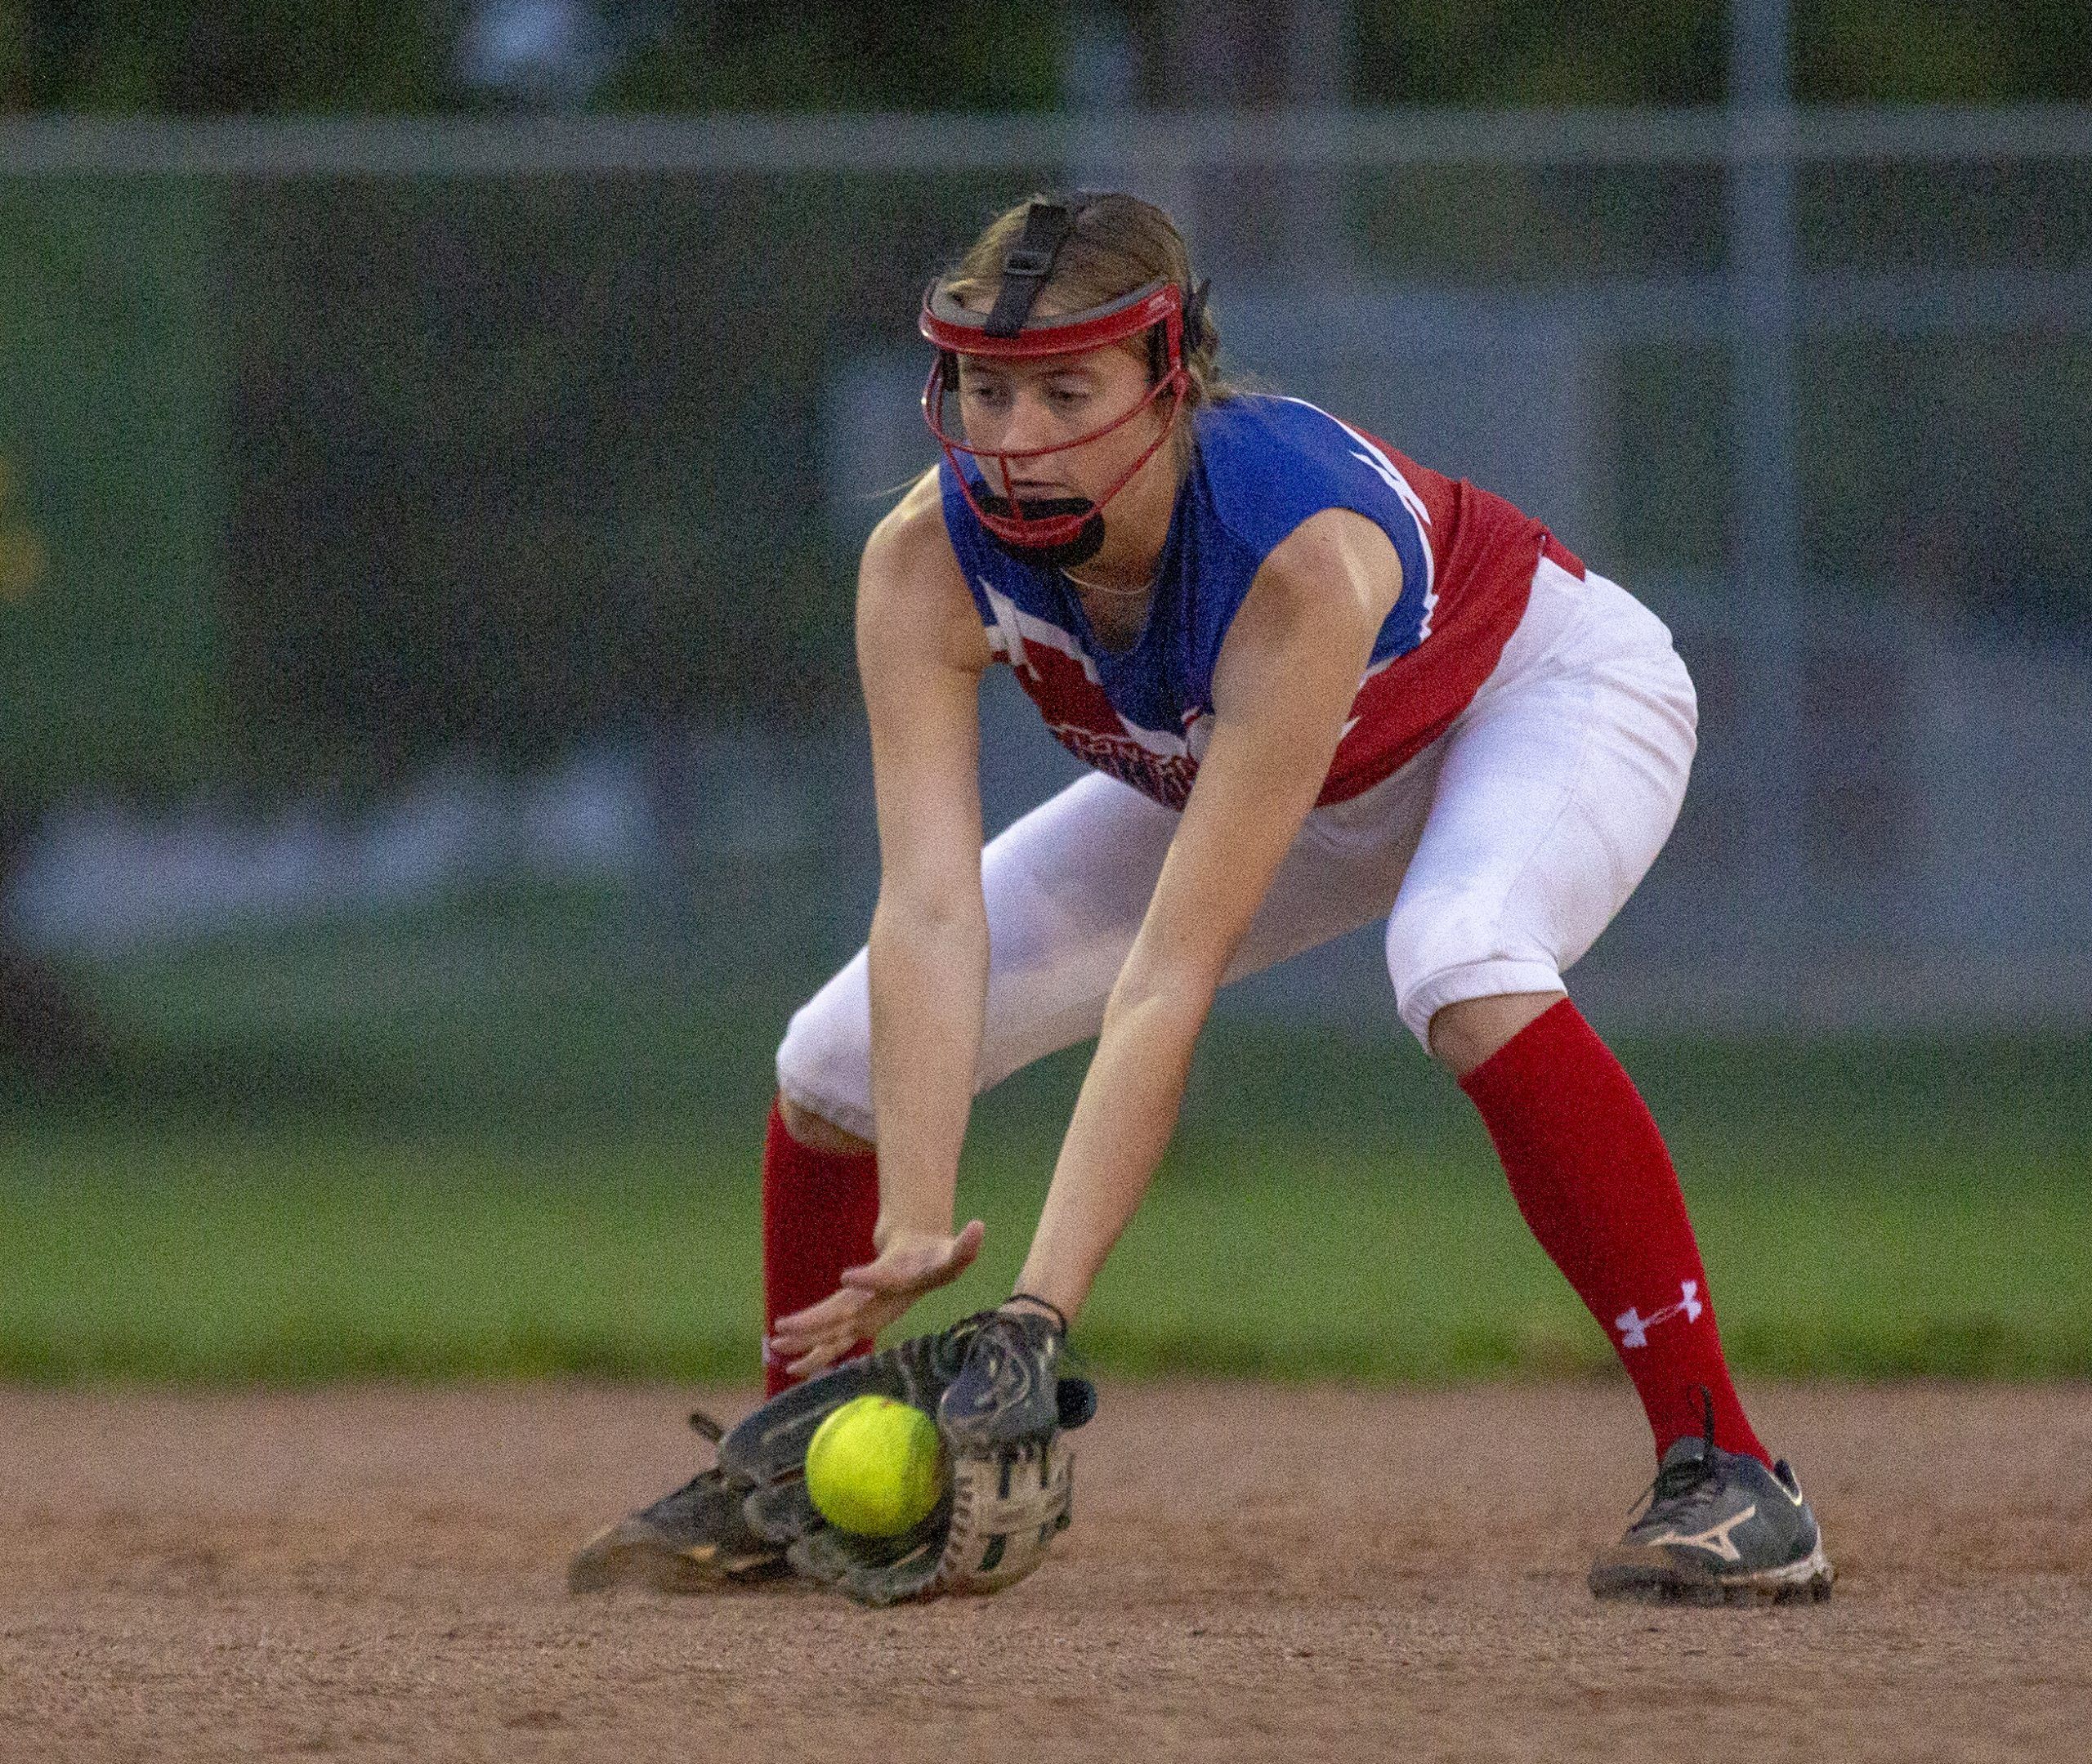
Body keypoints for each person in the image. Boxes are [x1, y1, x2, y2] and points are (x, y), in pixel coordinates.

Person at [569, 191, 1833, 1605]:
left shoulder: (1291, 553)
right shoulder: (925, 558)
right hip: (1262, 761)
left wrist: (1037, 1313)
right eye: (985, 387)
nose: (1014, 435)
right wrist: (915, 1221)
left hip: (1532, 700)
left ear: (1169, 381)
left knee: (1461, 955)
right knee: (833, 1063)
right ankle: (800, 1466)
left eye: (1067, 390)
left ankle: (1731, 1470)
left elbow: (1167, 978)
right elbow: (926, 909)